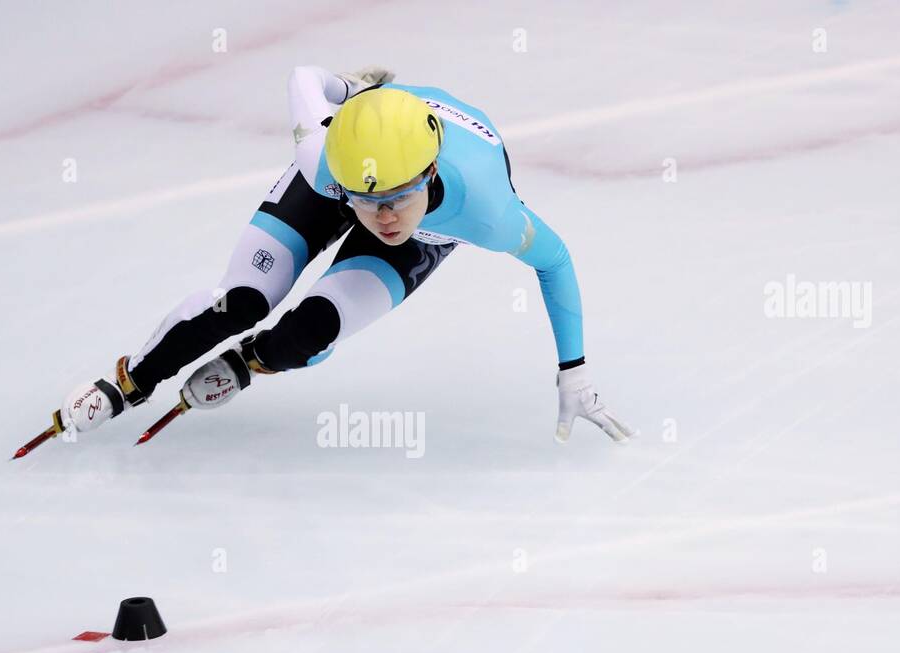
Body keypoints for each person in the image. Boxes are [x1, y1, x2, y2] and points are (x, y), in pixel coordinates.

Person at [59, 65, 633, 444]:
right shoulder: (323, 155)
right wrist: (347, 87)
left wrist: (573, 374)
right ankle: (129, 382)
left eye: (398, 201)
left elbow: (555, 261)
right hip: (347, 165)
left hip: (432, 215)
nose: (384, 218)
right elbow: (304, 77)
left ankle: (249, 362)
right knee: (240, 301)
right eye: (370, 203)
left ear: (429, 173)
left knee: (308, 332)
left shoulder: (487, 211)